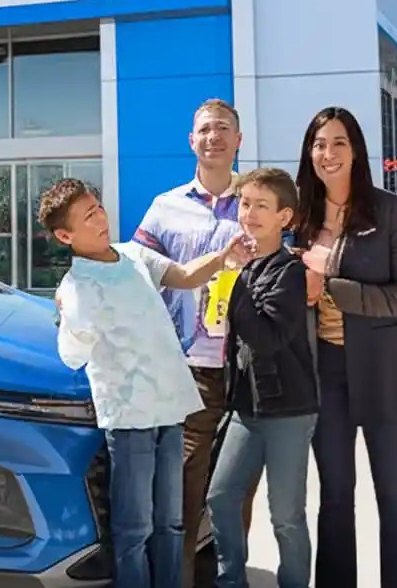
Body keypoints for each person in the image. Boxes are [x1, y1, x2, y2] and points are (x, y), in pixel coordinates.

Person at [42, 178, 249, 588]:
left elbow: (185, 275)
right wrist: (71, 317)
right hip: (128, 416)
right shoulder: (75, 287)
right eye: (88, 216)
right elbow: (72, 355)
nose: (101, 218)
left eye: (98, 207)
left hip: (169, 404)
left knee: (171, 521)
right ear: (66, 236)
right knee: (134, 527)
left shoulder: (135, 255)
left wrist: (224, 257)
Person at [295, 106, 397, 588]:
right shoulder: (301, 215)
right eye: (319, 144)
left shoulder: (391, 210)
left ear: (355, 150)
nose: (328, 153)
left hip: (386, 370)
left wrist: (333, 287)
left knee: (394, 493)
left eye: (339, 142)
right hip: (325, 372)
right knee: (334, 496)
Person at [131, 98, 259, 585]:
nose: (214, 137)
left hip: (248, 369)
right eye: (205, 129)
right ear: (192, 140)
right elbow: (135, 273)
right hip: (188, 371)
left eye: (223, 128)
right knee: (183, 495)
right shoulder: (165, 207)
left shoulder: (257, 203)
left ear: (238, 140)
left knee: (236, 494)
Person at [206, 168, 319, 588]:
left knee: (286, 514)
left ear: (284, 217)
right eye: (245, 204)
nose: (249, 213)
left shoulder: (290, 272)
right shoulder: (247, 267)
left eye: (261, 206)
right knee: (221, 496)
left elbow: (267, 338)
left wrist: (232, 281)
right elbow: (224, 326)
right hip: (246, 408)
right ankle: (230, 581)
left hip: (289, 410)